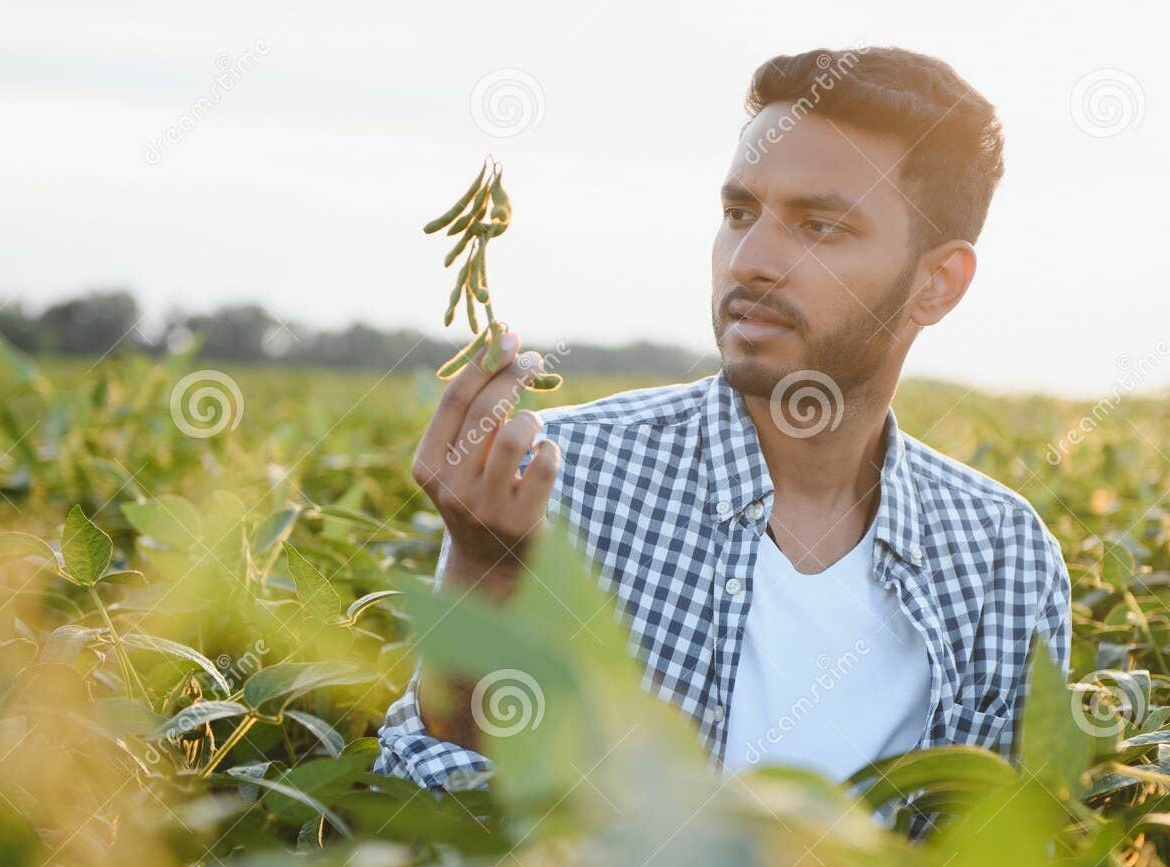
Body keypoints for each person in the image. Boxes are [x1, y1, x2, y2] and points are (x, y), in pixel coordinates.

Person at [377, 46, 1070, 791]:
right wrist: (483, 574)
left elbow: (1007, 855)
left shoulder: (1004, 556)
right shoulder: (559, 478)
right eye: (739, 212)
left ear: (936, 283)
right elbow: (437, 805)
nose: (750, 260)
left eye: (820, 227)